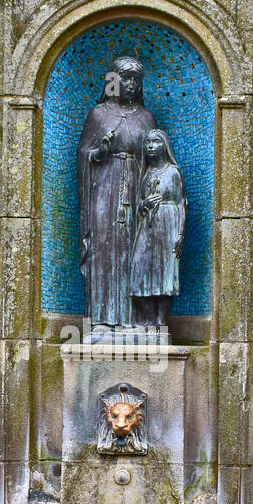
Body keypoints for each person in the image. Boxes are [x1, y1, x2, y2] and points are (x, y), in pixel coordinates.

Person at [77, 57, 156, 329]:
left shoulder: (146, 117)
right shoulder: (98, 114)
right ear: (113, 81)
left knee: (136, 250)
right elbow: (83, 155)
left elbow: (156, 158)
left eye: (136, 80)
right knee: (104, 248)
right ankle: (101, 318)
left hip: (135, 187)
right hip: (104, 187)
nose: (131, 84)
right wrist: (99, 152)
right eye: (126, 78)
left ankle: (136, 318)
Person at [130, 128, 187, 329]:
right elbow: (138, 204)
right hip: (148, 225)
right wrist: (143, 205)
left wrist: (180, 232)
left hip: (168, 223)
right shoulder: (145, 173)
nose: (150, 146)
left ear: (165, 145)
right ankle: (148, 318)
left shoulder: (172, 172)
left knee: (166, 271)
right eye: (147, 143)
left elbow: (181, 202)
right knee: (139, 267)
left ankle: (161, 322)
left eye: (155, 142)